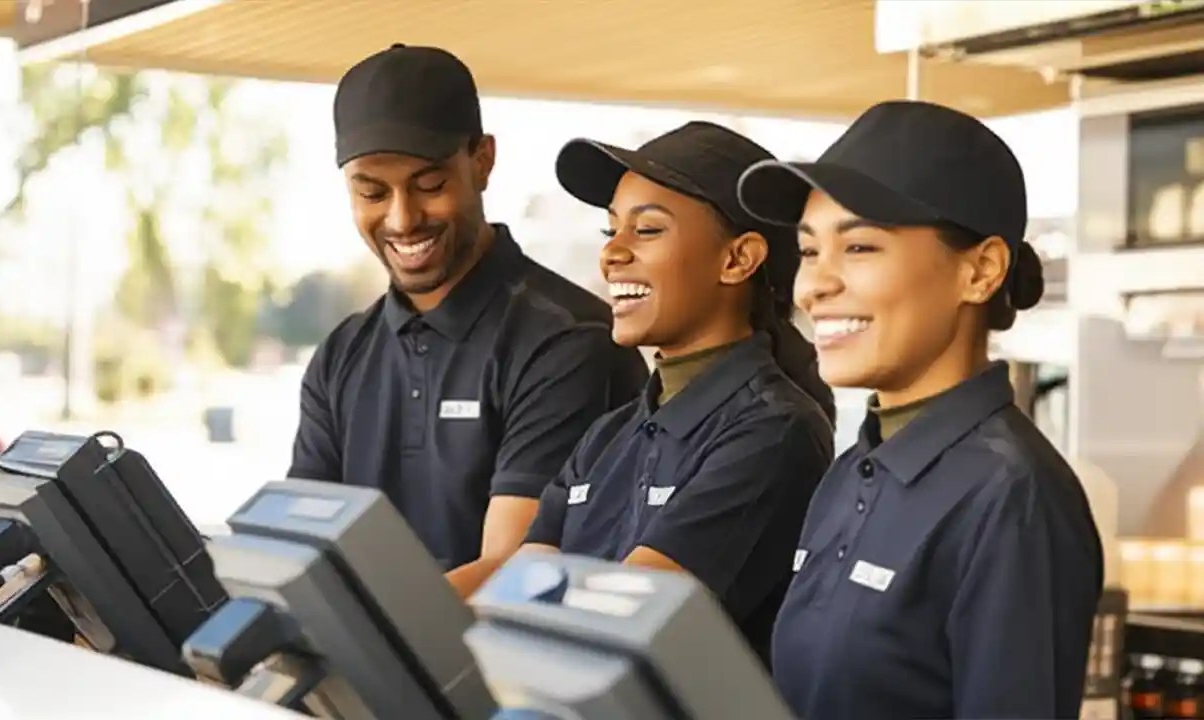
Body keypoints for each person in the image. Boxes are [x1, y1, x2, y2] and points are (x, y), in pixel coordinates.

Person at [737, 100, 1103, 718]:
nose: (813, 286)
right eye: (807, 251)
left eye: (859, 247)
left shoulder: (1012, 498)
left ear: (980, 271)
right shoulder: (851, 472)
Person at [289, 44, 648, 599]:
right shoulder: (341, 355)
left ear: (482, 161)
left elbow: (515, 573)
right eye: (372, 192)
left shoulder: (566, 341)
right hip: (376, 646)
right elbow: (301, 549)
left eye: (429, 186)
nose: (402, 219)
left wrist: (364, 633)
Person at [511, 121, 837, 669]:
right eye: (610, 230)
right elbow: (518, 598)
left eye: (647, 230)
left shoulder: (774, 431)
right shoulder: (606, 436)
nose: (612, 253)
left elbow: (619, 626)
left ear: (737, 260)